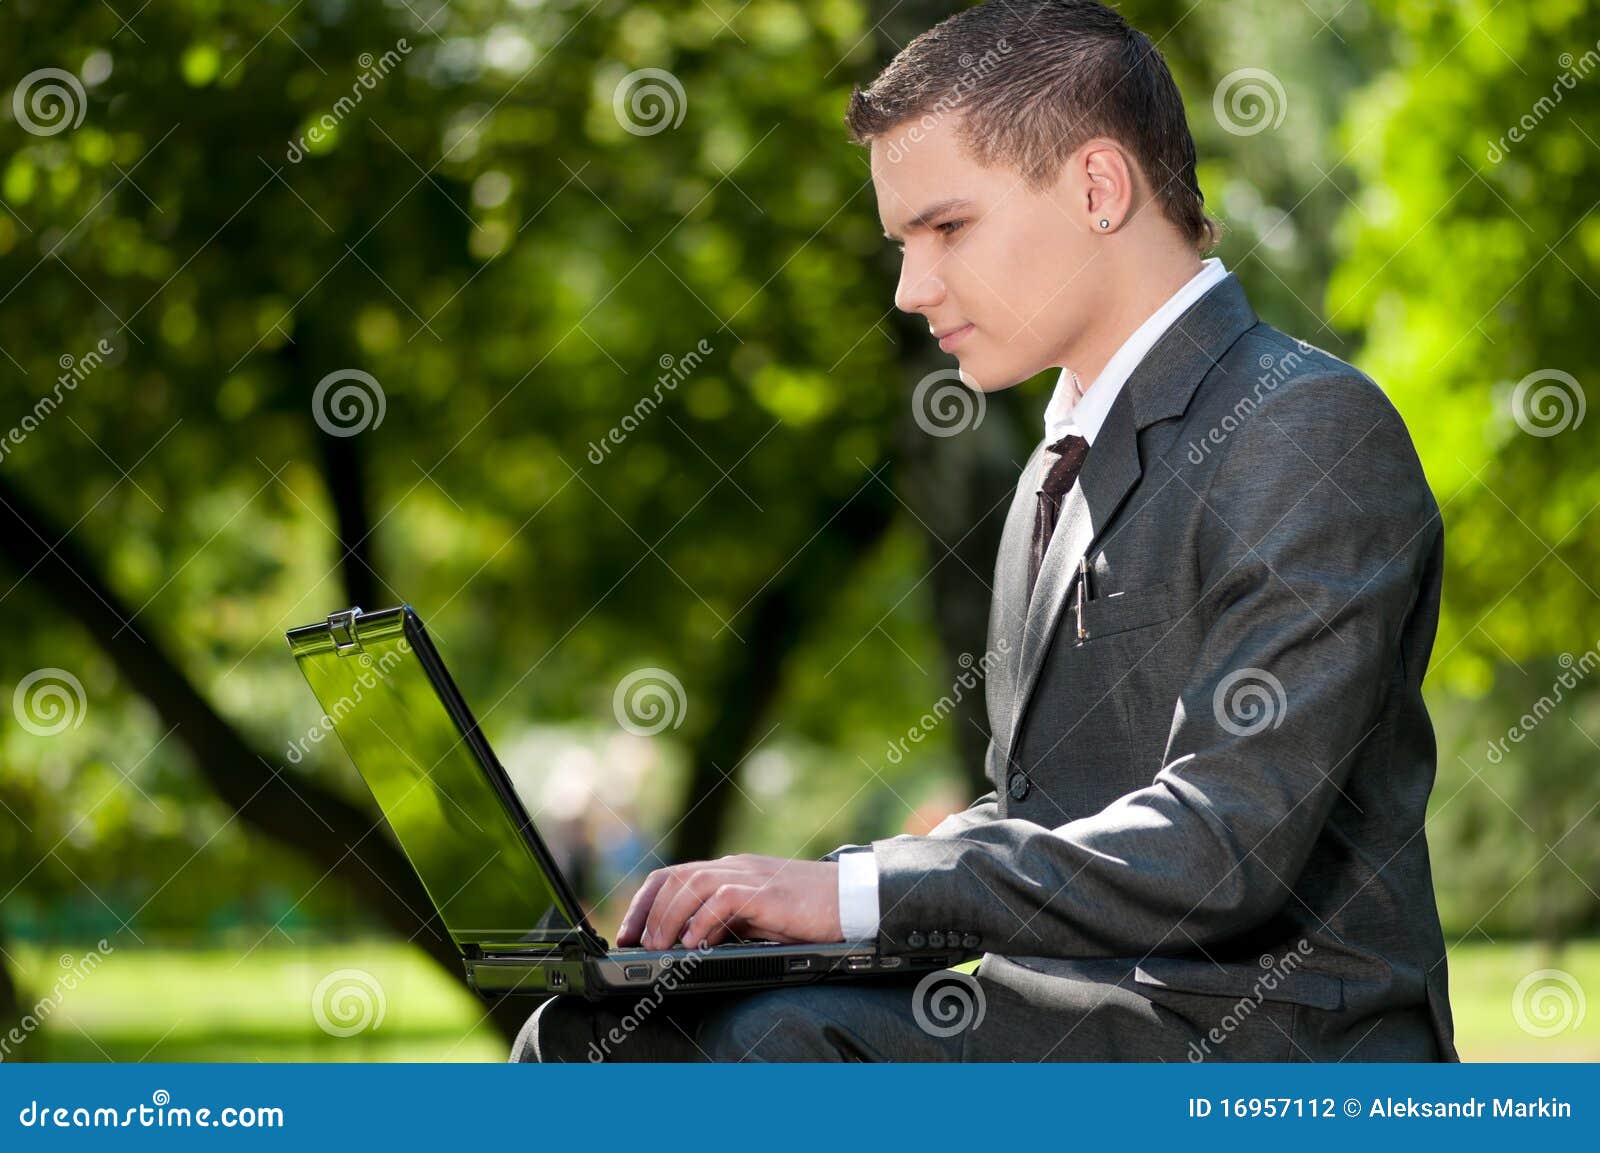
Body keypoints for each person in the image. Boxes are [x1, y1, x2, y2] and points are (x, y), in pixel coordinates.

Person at [513, 0, 1456, 1062]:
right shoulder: (1055, 465)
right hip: (1063, 1024)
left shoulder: (1302, 424)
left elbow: (1221, 844)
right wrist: (810, 898)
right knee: (599, 1032)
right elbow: (1045, 820)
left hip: (1263, 1053)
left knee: (747, 1047)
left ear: (1099, 187)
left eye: (946, 227)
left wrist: (860, 893)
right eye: (901, 242)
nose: (913, 288)